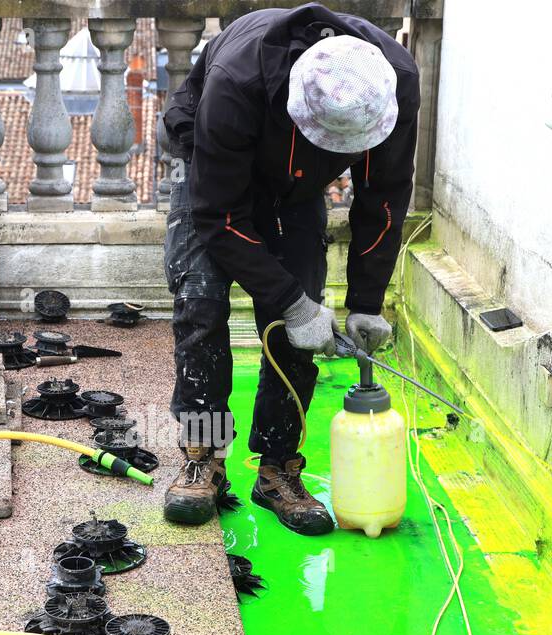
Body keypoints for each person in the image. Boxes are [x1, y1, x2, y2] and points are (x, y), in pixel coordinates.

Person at [160, 3, 419, 535]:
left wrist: (365, 304)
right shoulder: (238, 80)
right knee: (201, 307)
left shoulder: (393, 82)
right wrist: (291, 302)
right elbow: (220, 216)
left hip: (299, 186)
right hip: (216, 172)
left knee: (301, 333)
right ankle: (203, 453)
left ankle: (278, 468)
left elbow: (385, 199)